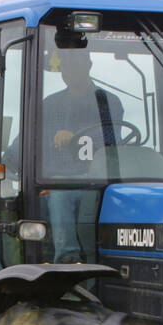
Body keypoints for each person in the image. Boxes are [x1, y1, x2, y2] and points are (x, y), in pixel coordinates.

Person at [40, 48, 124, 262]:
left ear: (88, 65)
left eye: (74, 63)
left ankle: (105, 261)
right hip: (58, 181)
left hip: (99, 181)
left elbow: (111, 139)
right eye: (64, 65)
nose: (68, 70)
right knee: (59, 193)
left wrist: (74, 137)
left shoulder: (108, 102)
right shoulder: (50, 105)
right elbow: (31, 138)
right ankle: (67, 260)